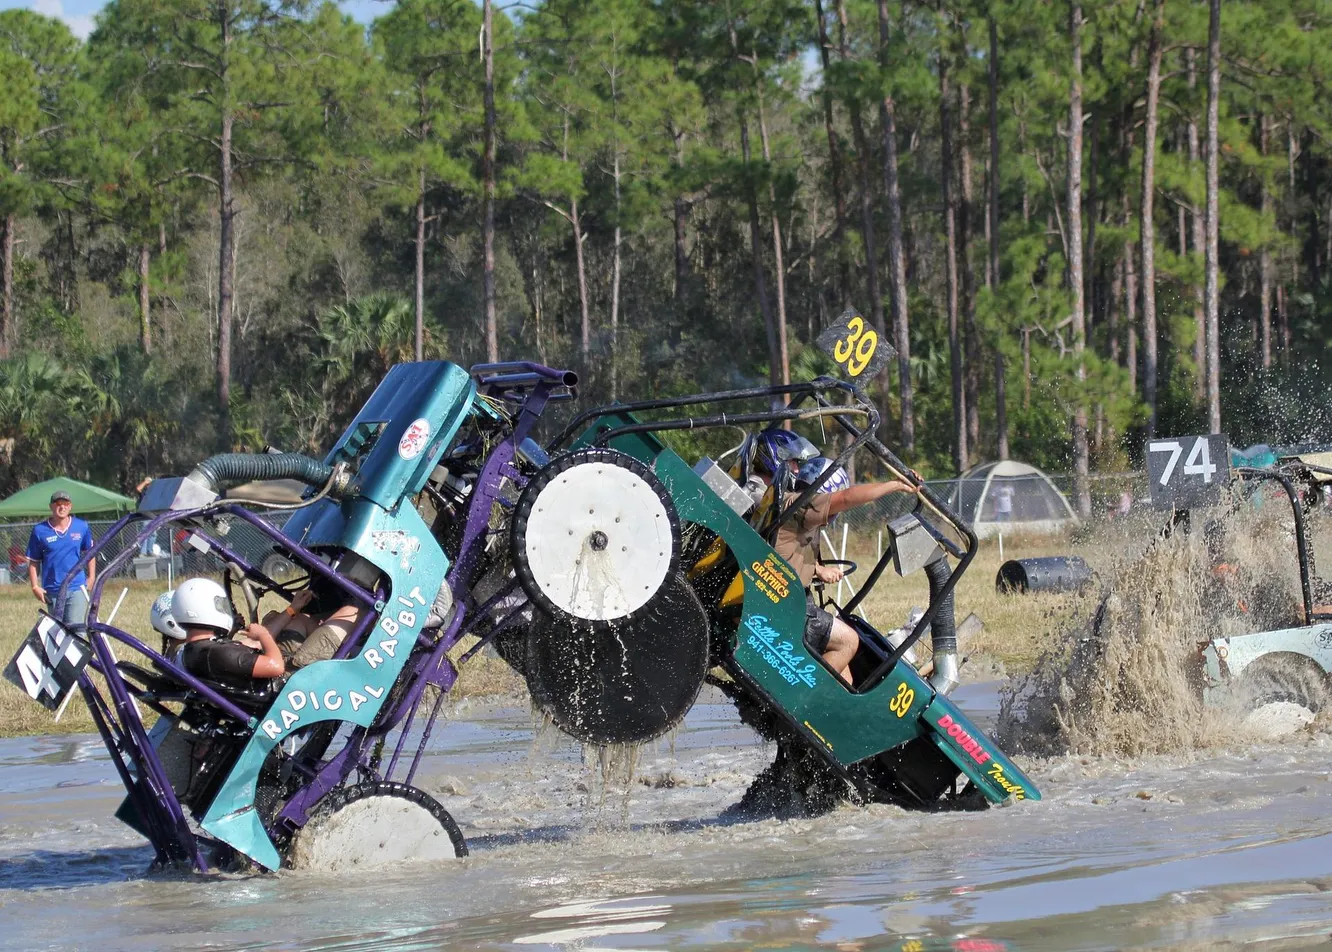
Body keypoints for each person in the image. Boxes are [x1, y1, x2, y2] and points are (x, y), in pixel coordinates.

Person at [752, 432, 918, 685]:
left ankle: (845, 710)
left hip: (786, 598)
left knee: (845, 670)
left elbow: (784, 550)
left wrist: (818, 569)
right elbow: (847, 497)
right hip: (787, 606)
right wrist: (894, 485)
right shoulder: (800, 507)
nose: (833, 513)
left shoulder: (789, 507)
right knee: (849, 641)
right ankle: (808, 696)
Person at [172, 578, 285, 689]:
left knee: (275, 619)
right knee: (300, 621)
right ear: (204, 608)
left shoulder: (189, 652)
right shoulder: (217, 653)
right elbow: (276, 666)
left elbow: (245, 647)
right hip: (282, 689)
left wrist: (293, 608)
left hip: (262, 689)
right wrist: (263, 634)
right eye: (220, 605)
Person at [26, 490, 95, 624]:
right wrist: (35, 586)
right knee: (57, 631)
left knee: (76, 631)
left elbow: (90, 553)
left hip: (77, 587)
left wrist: (91, 577)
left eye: (65, 504)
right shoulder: (40, 530)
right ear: (51, 506)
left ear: (70, 506)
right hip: (53, 590)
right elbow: (34, 561)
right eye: (58, 504)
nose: (62, 507)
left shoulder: (81, 526)